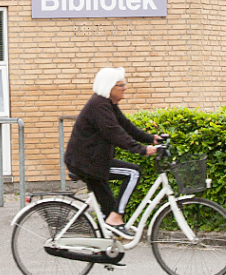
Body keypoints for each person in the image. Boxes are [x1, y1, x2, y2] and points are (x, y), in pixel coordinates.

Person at [64, 67, 161, 238]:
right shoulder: (99, 105)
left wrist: (151, 139)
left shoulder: (107, 104)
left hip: (92, 162)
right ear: (109, 87)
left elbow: (126, 126)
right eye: (121, 85)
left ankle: (104, 246)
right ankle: (117, 218)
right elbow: (115, 133)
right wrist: (142, 149)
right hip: (87, 163)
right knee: (133, 173)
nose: (125, 87)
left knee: (108, 209)